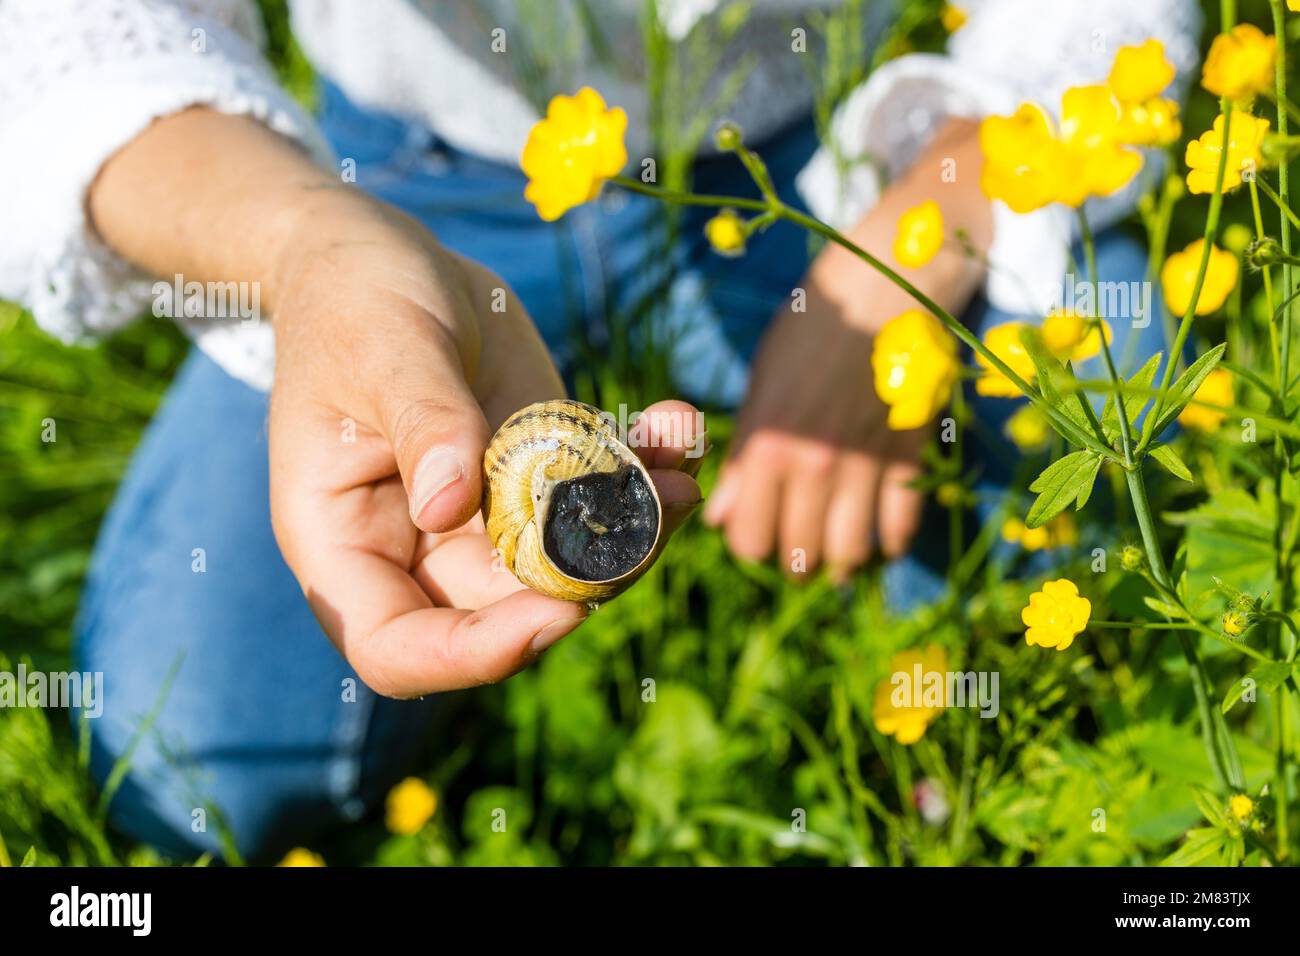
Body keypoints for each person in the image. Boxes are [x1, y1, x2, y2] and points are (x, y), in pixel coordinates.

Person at [0, 0, 1201, 860]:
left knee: (1119, 373)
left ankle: (964, 754)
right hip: (399, 185)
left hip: (812, 147)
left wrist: (928, 221)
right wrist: (307, 249)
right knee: (182, 769)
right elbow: (65, 38)